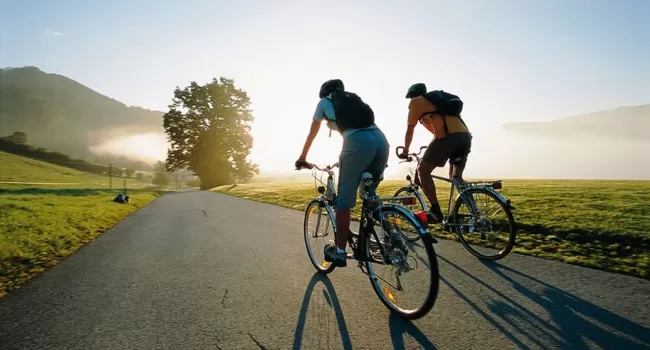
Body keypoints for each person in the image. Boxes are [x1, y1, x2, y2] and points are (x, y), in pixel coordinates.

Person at [295, 79, 389, 268]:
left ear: (323, 93)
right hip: (381, 141)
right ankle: (392, 236)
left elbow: (312, 133)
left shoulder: (324, 103)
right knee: (369, 195)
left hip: (357, 144)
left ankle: (339, 252)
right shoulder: (352, 102)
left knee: (343, 203)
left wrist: (302, 157)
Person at [398, 83, 472, 224]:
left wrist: (406, 150)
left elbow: (410, 128)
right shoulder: (437, 105)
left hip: (449, 138)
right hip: (465, 137)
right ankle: (474, 211)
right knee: (456, 178)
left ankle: (435, 212)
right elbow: (439, 129)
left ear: (413, 95)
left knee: (423, 170)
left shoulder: (416, 101)